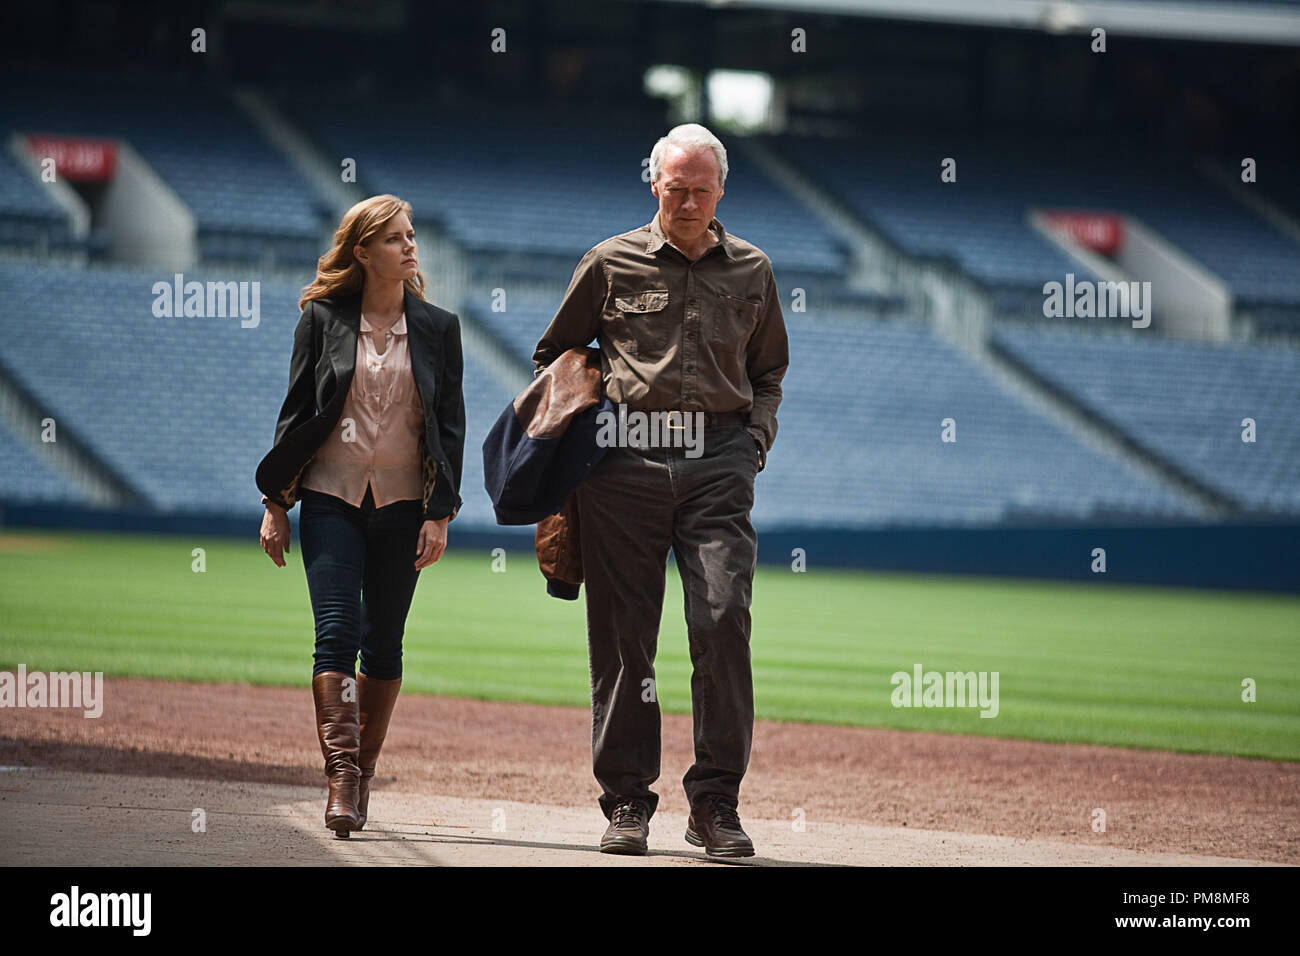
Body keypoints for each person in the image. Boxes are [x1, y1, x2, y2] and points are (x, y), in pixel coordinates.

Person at [532, 124, 789, 859]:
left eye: (700, 190)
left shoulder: (754, 271)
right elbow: (556, 354)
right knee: (622, 639)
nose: (687, 201)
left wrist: (752, 445)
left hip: (718, 463)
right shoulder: (608, 261)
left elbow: (769, 372)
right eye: (675, 188)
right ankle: (625, 802)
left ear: (721, 190)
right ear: (654, 184)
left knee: (721, 620)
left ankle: (714, 804)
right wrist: (581, 440)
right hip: (624, 466)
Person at [255, 194, 465, 838]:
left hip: (404, 505)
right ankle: (341, 777)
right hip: (330, 497)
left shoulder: (438, 328)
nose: (410, 248)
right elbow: (296, 416)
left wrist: (440, 513)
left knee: (385, 642)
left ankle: (363, 772)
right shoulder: (321, 318)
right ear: (364, 251)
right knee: (337, 634)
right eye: (396, 239)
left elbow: (448, 429)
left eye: (412, 237)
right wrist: (275, 504)